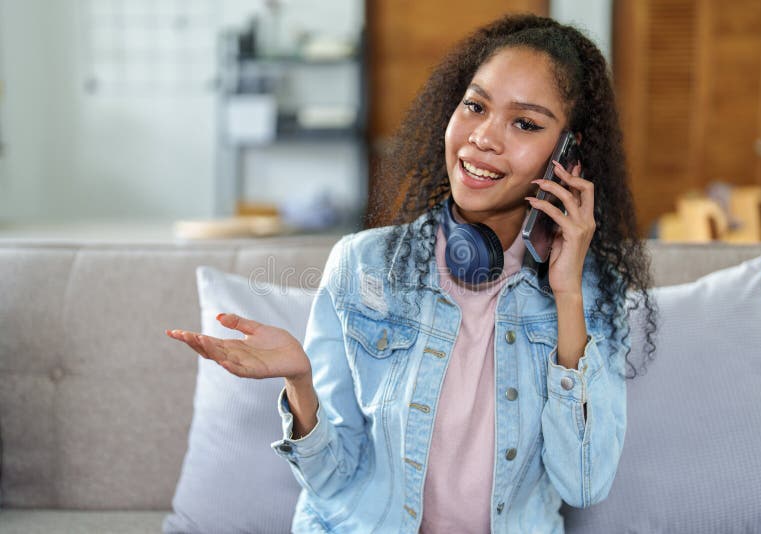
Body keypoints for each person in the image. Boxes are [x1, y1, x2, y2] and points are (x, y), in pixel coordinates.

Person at [166, 13, 658, 533]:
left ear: (568, 157)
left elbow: (584, 484)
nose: (484, 138)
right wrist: (299, 383)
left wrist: (566, 293)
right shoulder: (363, 263)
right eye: (475, 106)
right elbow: (332, 481)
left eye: (526, 124)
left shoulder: (587, 291)